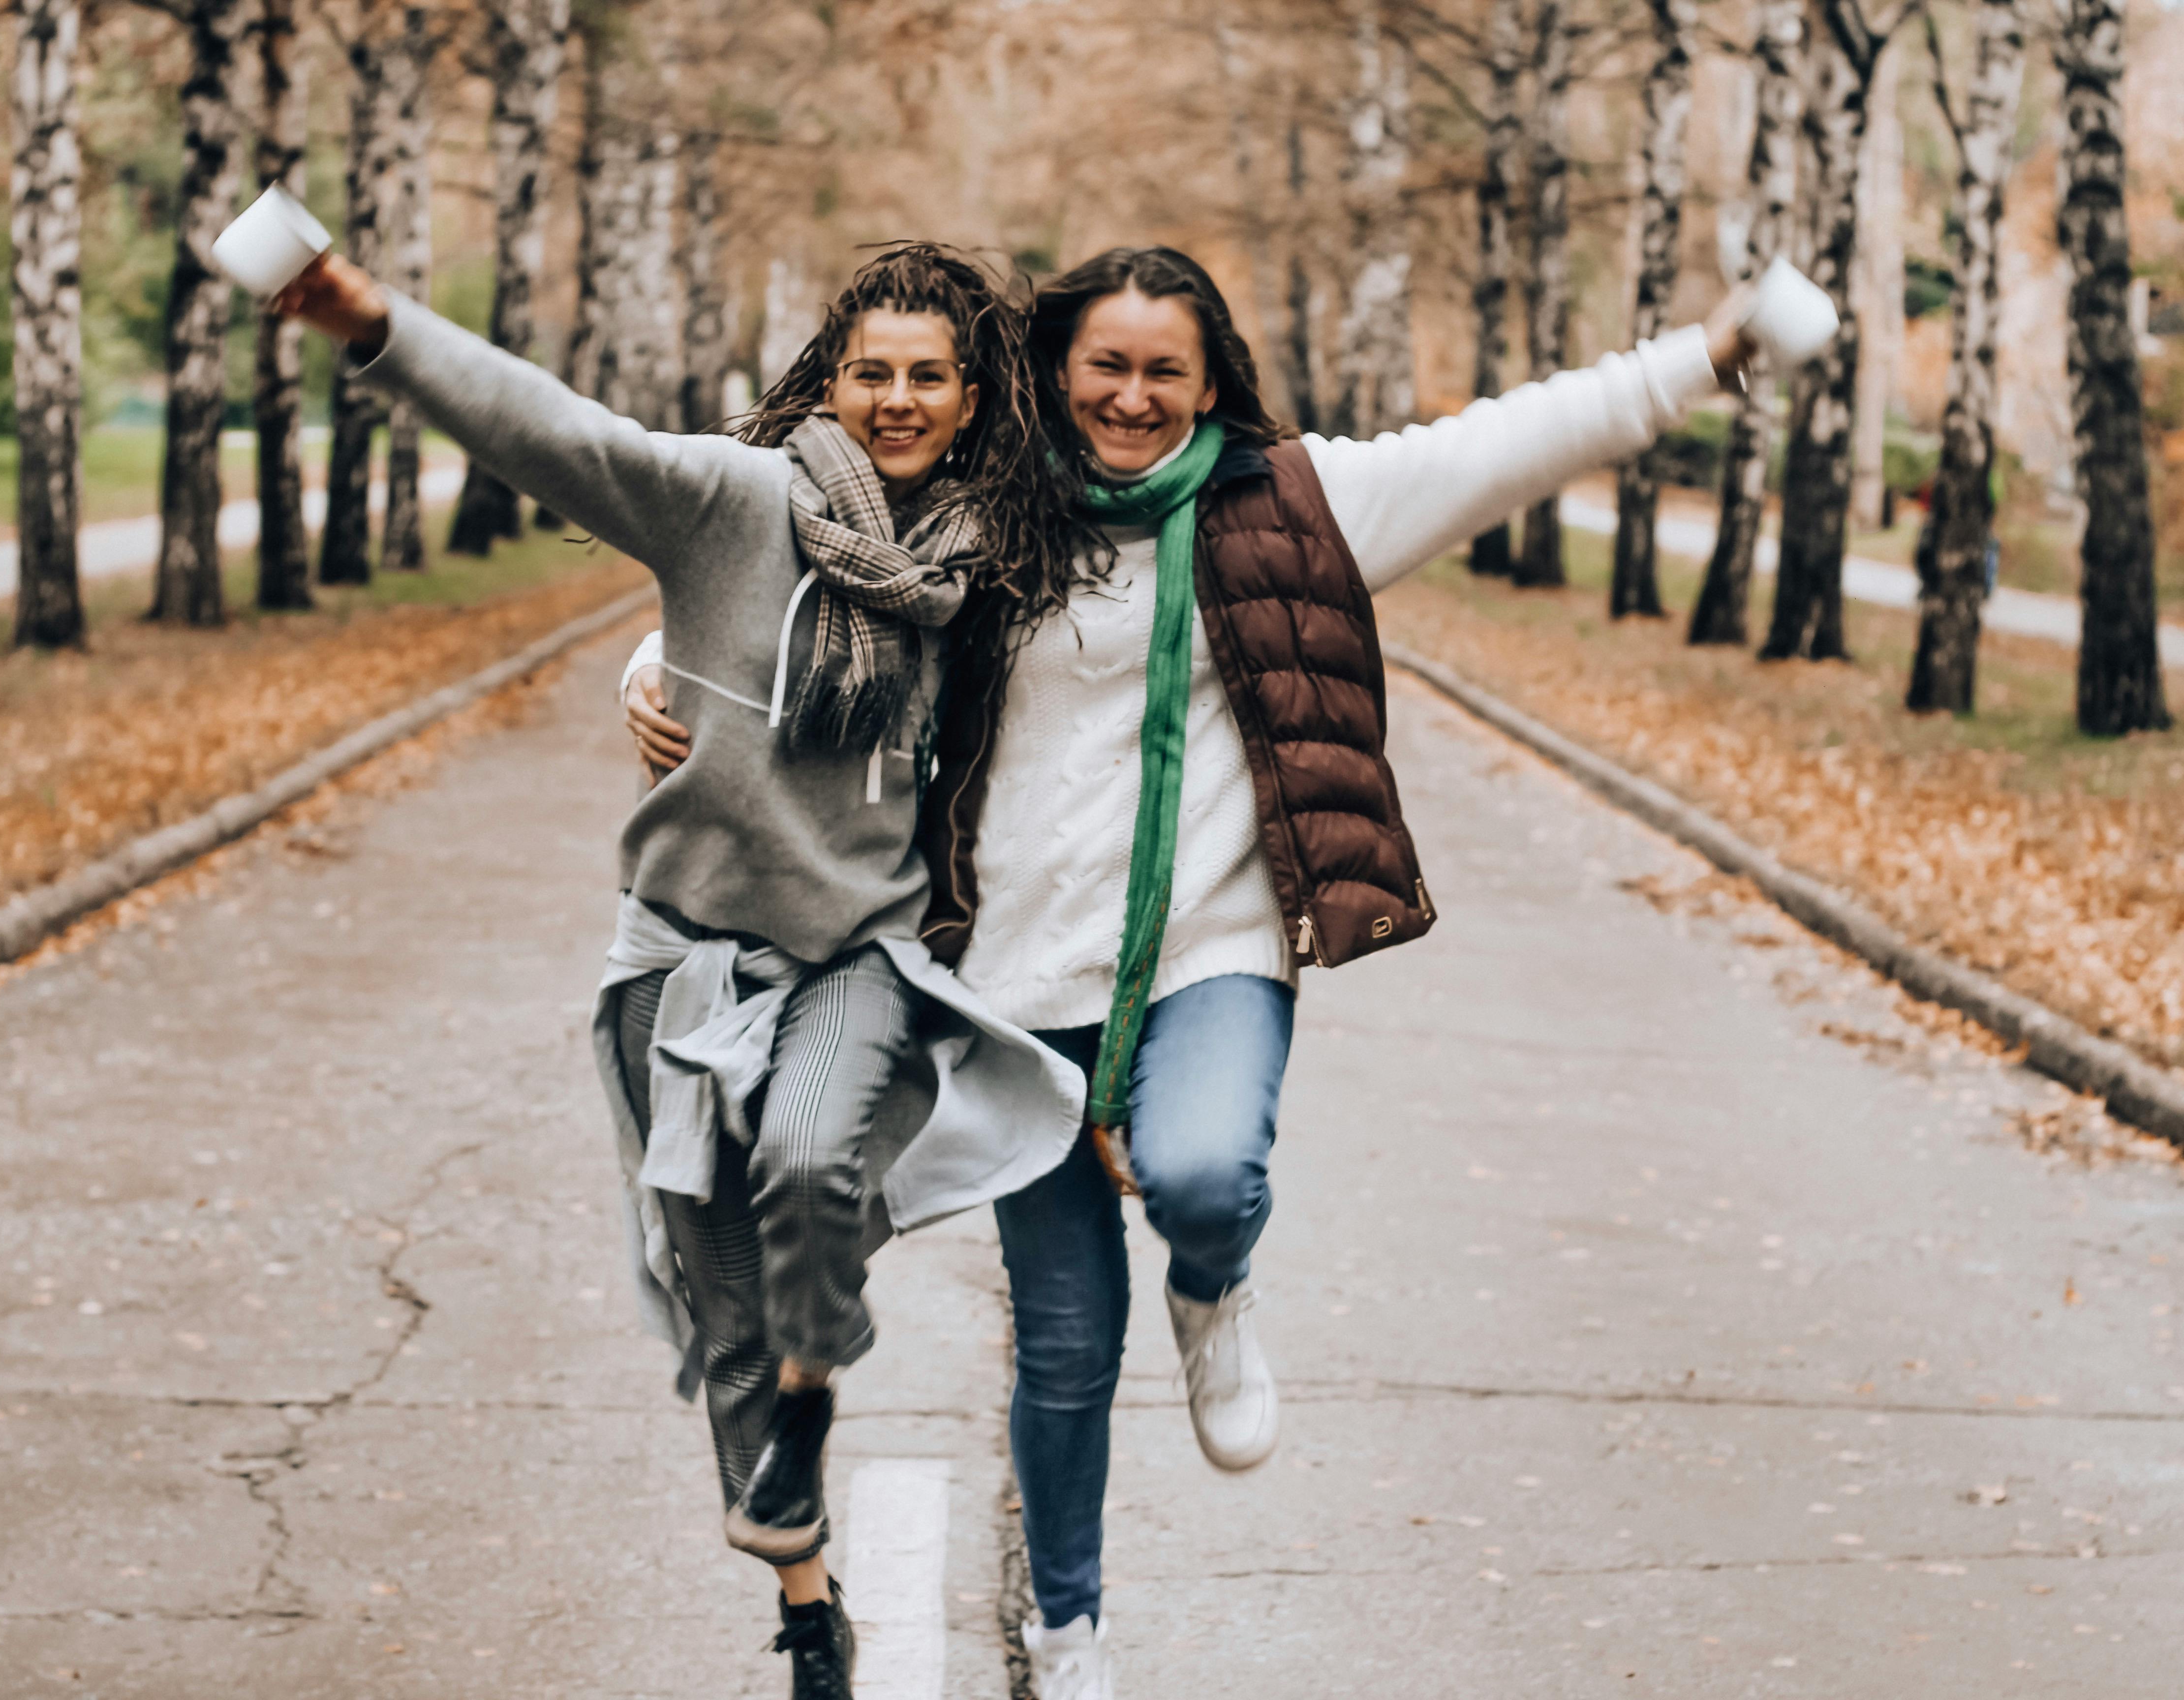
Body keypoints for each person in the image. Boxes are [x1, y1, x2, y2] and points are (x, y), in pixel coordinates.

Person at [627, 245, 1756, 1700]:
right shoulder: (998, 515)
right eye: (1107, 365)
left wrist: (1702, 358)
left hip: (1208, 952)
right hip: (1017, 989)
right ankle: (1071, 1631)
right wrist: (649, 685)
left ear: (1212, 377)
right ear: (1054, 370)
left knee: (1206, 1169)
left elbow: (1511, 440)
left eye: (1167, 370)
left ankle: (1216, 1292)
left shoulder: (1295, 502)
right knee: (1066, 1348)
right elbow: (784, 590)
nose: (1134, 397)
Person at [271, 243, 1094, 1700]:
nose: (897, 400)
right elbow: (553, 430)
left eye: (927, 378)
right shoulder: (734, 503)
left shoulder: (988, 563)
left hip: (858, 956)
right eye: (871, 375)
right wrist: (375, 324)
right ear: (828, 386)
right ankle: (806, 1604)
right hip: (683, 959)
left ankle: (811, 1392)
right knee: (718, 1304)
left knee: (808, 1159)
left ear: (971, 400)